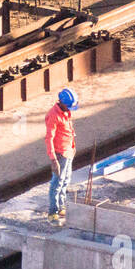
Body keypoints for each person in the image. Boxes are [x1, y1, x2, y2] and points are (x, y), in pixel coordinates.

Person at [45, 87, 78, 221]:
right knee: (57, 183)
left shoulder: (66, 111)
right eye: (69, 106)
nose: (70, 109)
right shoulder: (53, 115)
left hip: (68, 152)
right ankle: (53, 212)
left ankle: (61, 206)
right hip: (60, 154)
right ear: (63, 103)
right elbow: (49, 139)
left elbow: (68, 130)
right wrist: (54, 160)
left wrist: (73, 148)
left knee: (65, 181)